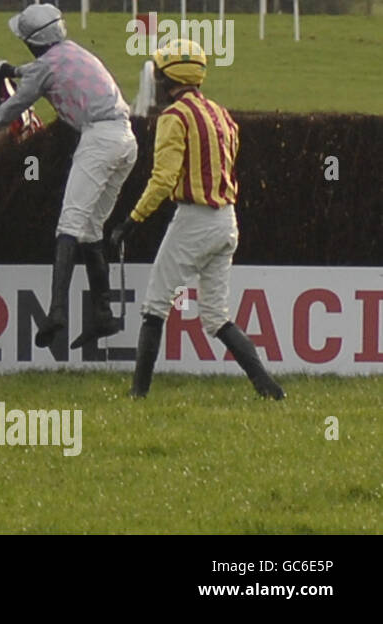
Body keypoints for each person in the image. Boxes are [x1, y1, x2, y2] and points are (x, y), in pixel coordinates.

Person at [109, 39, 284, 399]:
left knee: (155, 305)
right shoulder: (221, 113)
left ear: (168, 78)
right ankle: (268, 387)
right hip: (226, 220)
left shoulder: (173, 118)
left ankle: (138, 394)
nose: (155, 82)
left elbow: (163, 179)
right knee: (216, 317)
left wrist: (131, 220)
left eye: (158, 75)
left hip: (194, 220)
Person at [0, 3, 137, 349]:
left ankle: (57, 312)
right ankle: (103, 314)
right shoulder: (73, 51)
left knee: (68, 226)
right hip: (126, 140)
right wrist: (10, 69)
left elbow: (11, 111)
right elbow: (41, 71)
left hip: (99, 140)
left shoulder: (42, 68)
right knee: (91, 229)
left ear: (33, 42)